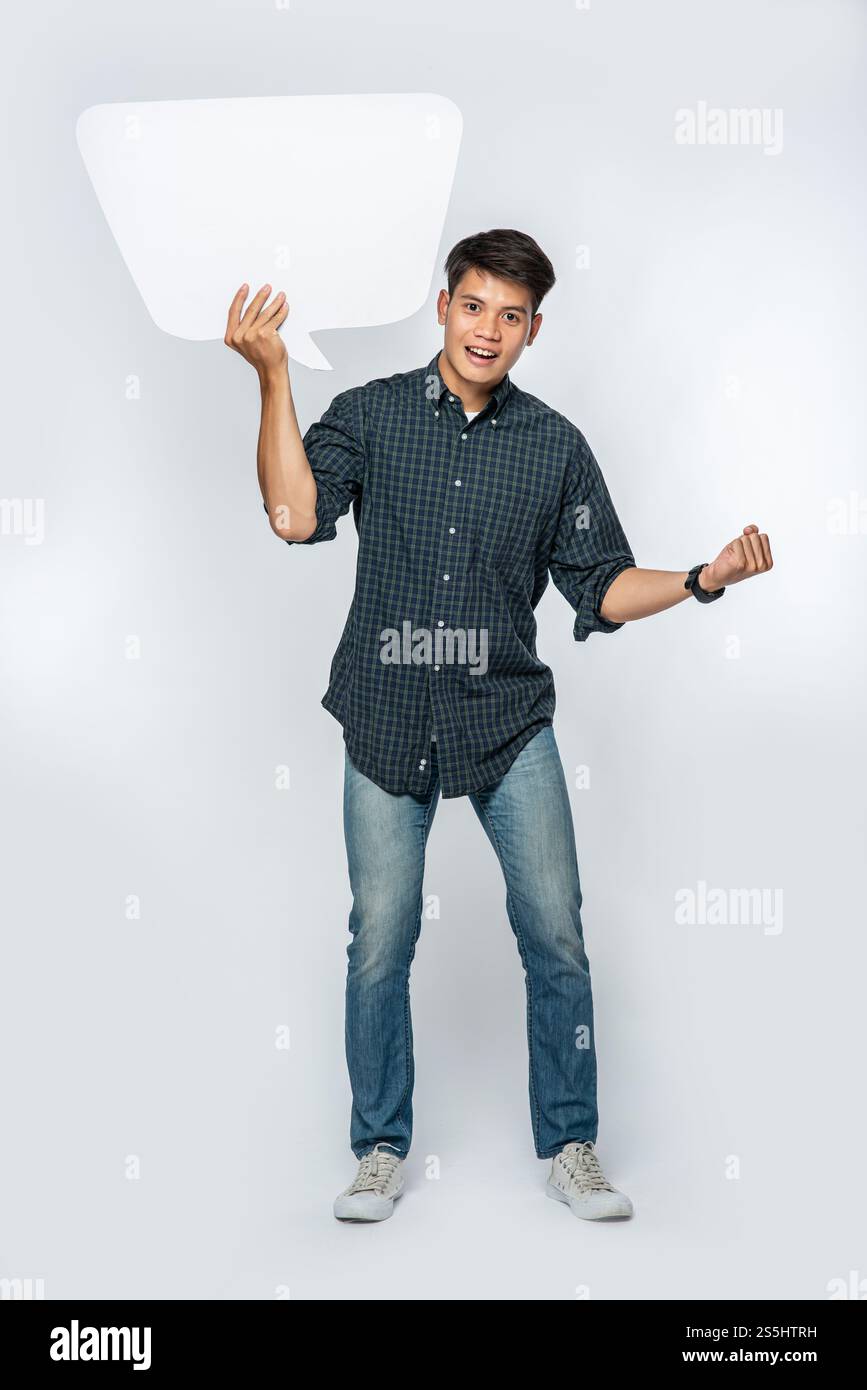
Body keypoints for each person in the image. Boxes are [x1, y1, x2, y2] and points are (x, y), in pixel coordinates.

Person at [225, 228, 773, 1223]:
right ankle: (380, 1147)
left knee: (556, 935)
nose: (489, 329)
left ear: (532, 329)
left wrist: (702, 579)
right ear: (444, 306)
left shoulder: (554, 446)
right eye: (474, 305)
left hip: (506, 720)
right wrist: (271, 377)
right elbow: (293, 514)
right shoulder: (372, 415)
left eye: (510, 315)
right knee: (380, 940)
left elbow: (602, 584)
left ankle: (571, 1144)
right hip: (386, 714)